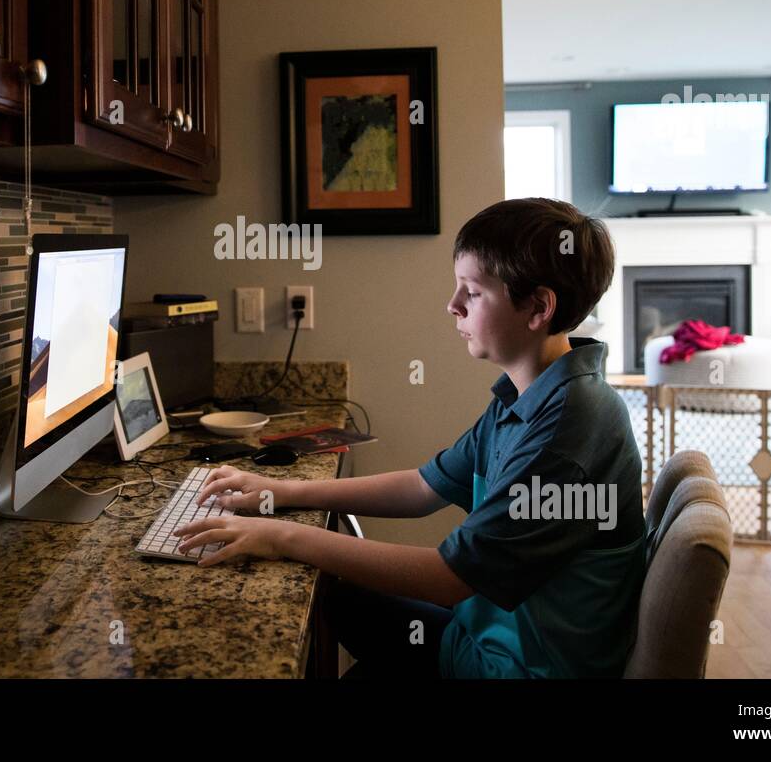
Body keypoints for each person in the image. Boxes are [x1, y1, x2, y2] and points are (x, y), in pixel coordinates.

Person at [173, 198, 646, 678]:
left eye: (473, 292)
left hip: (520, 669)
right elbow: (423, 488)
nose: (452, 305)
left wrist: (282, 536)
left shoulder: (566, 432)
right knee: (328, 600)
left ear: (538, 308)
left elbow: (449, 579)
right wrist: (281, 494)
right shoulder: (530, 396)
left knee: (305, 598)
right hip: (485, 639)